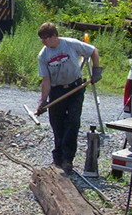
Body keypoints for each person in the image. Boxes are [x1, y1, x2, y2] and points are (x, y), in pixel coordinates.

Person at [35, 23, 102, 173]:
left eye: (45, 39)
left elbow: (93, 51)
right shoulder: (43, 55)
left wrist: (97, 71)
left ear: (53, 36)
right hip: (57, 91)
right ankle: (58, 157)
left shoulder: (70, 44)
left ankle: (67, 159)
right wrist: (43, 100)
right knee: (57, 124)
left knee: (72, 122)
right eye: (41, 39)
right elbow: (46, 80)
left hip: (75, 89)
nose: (43, 42)